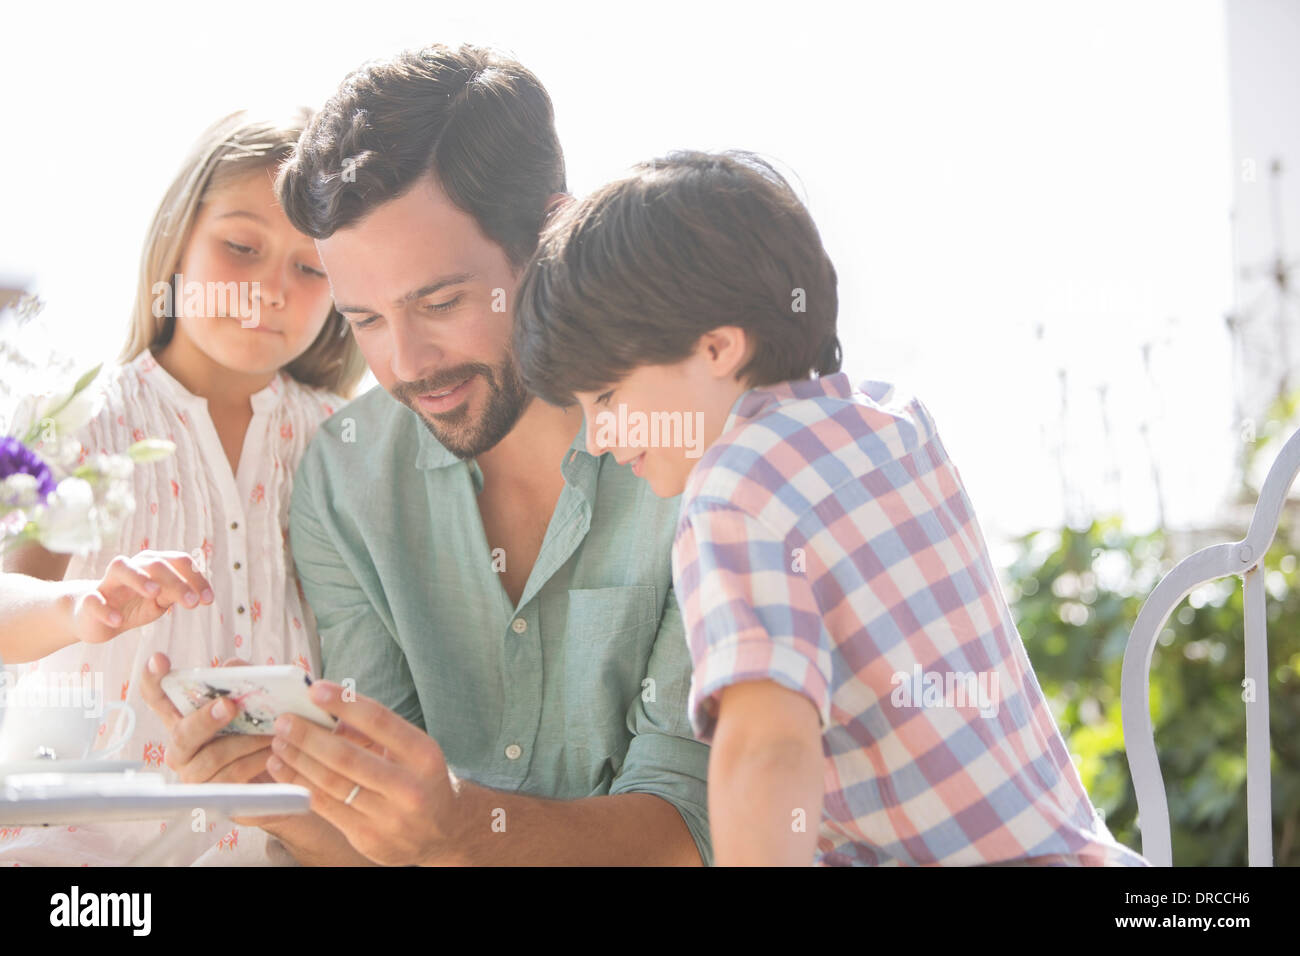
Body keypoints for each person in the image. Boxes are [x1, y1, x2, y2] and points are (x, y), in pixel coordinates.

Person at [139, 44, 712, 866]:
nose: (406, 365)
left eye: (440, 301)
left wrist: (459, 824)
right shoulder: (344, 481)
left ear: (553, 233)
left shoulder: (689, 454)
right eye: (364, 319)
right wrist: (276, 804)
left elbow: (694, 830)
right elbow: (388, 846)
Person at [510, 149, 1152, 867]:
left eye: (606, 398)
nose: (597, 437)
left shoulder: (732, 493)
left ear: (718, 346)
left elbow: (766, 745)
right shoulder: (892, 423)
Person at [0, 108, 366, 866]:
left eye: (311, 267)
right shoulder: (72, 416)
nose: (271, 288)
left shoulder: (346, 443)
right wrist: (80, 604)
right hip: (75, 846)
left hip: (275, 844)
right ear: (177, 240)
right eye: (241, 246)